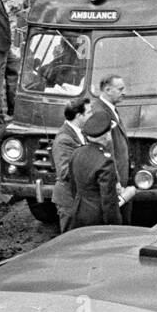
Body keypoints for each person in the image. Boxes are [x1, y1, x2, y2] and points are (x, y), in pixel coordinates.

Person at [68, 115, 129, 228]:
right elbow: (108, 200)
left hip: (78, 211)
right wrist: (114, 223)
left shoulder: (77, 152)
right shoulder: (105, 161)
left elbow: (73, 186)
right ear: (106, 135)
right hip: (97, 217)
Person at [51, 97, 90, 232]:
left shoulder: (80, 133)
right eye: (89, 112)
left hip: (79, 198)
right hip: (69, 200)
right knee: (70, 242)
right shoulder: (64, 139)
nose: (91, 115)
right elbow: (64, 172)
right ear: (79, 116)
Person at [89, 75, 130, 194]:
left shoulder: (109, 109)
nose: (124, 93)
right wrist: (115, 180)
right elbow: (105, 150)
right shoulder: (101, 113)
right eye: (120, 89)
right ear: (107, 90)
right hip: (111, 181)